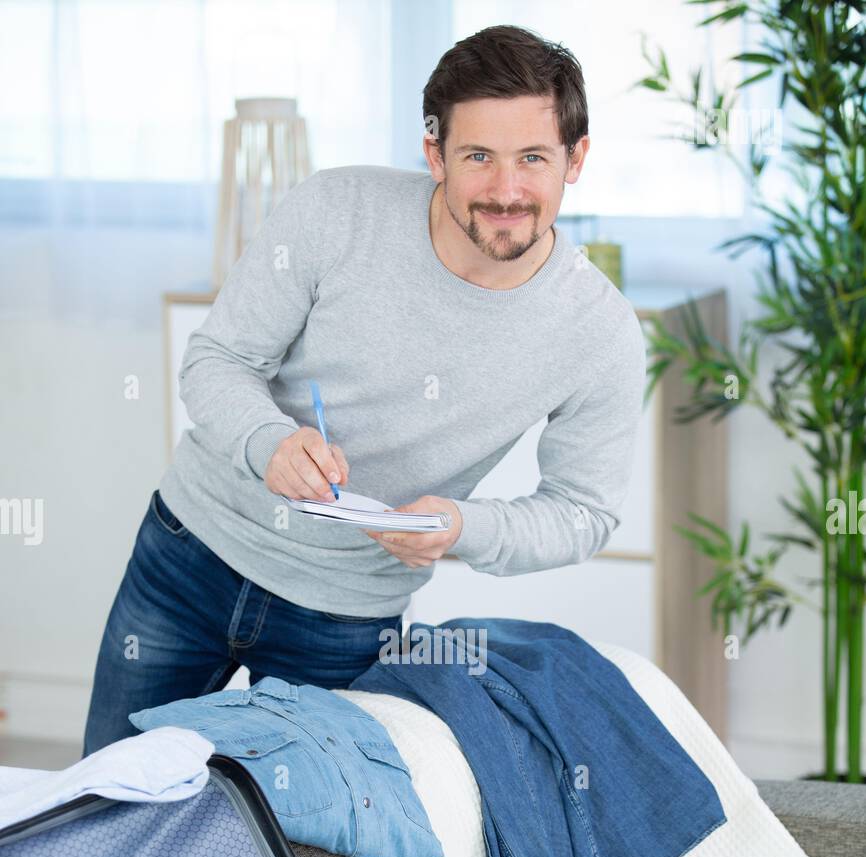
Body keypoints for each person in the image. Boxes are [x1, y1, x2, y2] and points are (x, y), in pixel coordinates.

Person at [83, 23, 646, 755]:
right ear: (434, 151)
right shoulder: (334, 211)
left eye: (532, 158)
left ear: (576, 159)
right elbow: (217, 360)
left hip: (345, 618)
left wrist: (462, 528)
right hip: (190, 556)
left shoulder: (599, 331)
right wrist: (271, 442)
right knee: (104, 805)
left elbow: (583, 512)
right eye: (478, 156)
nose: (507, 192)